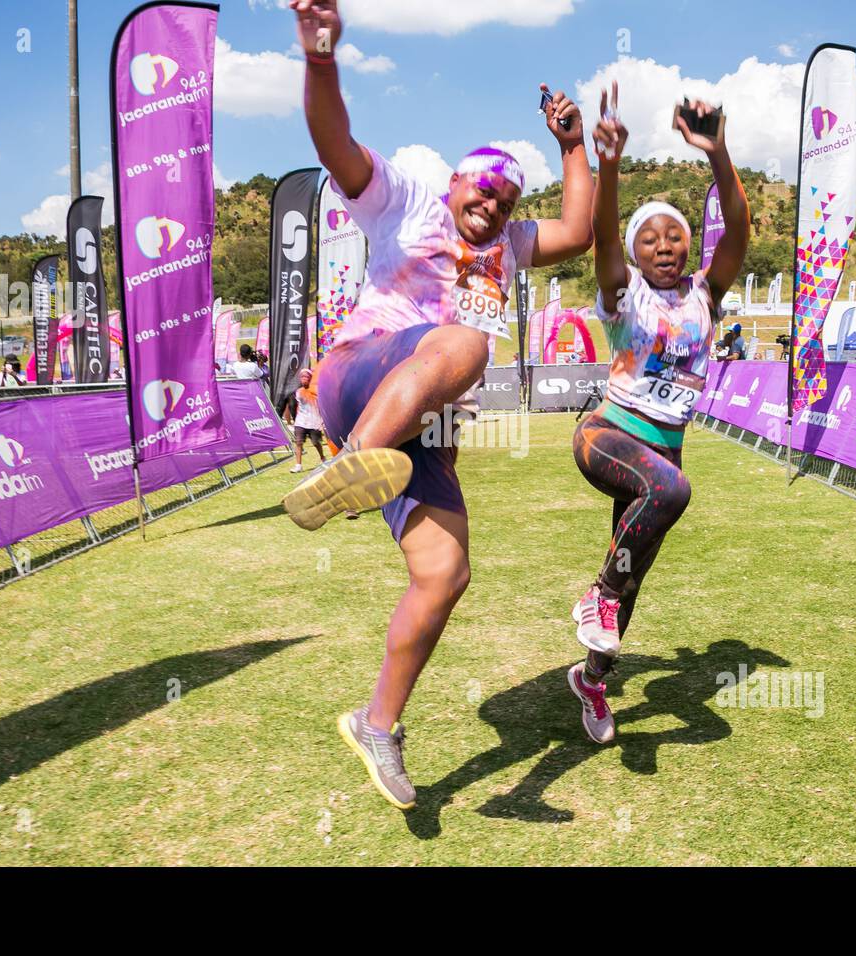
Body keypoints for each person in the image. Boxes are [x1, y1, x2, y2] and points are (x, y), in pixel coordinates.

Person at [282, 0, 594, 810]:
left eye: (506, 198)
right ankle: (353, 468)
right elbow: (335, 146)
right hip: (360, 375)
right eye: (483, 187)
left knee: (445, 571)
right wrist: (321, 57)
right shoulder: (407, 197)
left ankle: (377, 723)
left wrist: (574, 147)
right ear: (455, 180)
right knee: (463, 344)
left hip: (420, 432)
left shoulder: (509, 251)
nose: (492, 204)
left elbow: (582, 231)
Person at [568, 81, 748, 744]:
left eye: (677, 235)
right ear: (637, 256)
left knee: (631, 584)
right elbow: (604, 244)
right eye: (653, 240)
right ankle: (599, 596)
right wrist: (608, 166)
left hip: (663, 452)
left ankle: (591, 680)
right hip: (609, 436)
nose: (667, 245)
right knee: (670, 490)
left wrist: (717, 150)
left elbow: (741, 229)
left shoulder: (706, 294)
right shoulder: (625, 296)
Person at [289, 367, 327, 473]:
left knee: (316, 443)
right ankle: (298, 465)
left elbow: (322, 406)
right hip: (301, 422)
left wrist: (323, 421)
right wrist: (295, 420)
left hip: (314, 422)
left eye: (306, 377)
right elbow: (297, 407)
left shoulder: (316, 392)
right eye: (302, 377)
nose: (304, 379)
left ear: (310, 378)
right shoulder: (298, 392)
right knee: (298, 442)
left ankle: (323, 458)